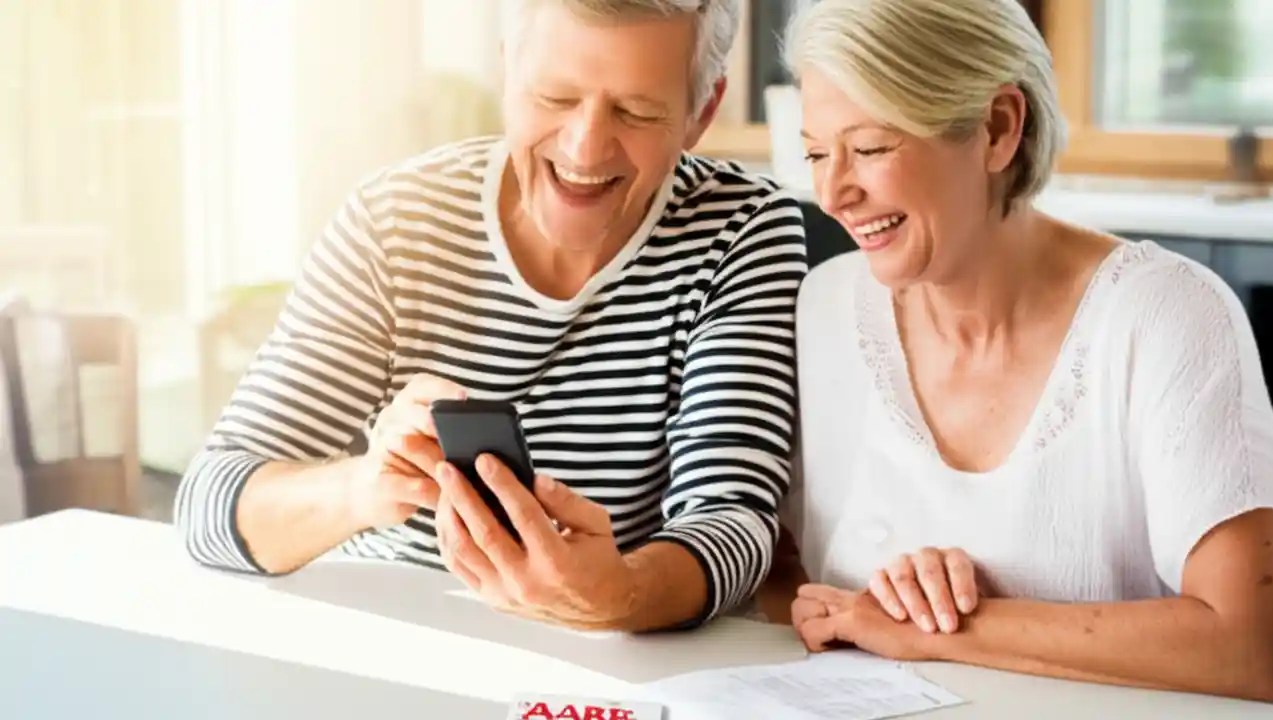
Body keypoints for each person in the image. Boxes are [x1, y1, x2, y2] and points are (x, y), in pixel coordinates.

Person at [175, 0, 808, 633]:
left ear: (702, 111)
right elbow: (209, 506)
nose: (585, 147)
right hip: (390, 638)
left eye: (636, 111)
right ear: (508, 71)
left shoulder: (743, 231)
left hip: (611, 660)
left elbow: (733, 521)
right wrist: (363, 487)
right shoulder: (396, 219)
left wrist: (621, 596)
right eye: (555, 98)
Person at [769, 0, 1273, 702]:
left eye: (871, 148)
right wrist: (815, 604)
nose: (833, 192)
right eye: (818, 153)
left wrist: (945, 628)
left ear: (999, 128)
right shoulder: (822, 308)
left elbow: (1255, 642)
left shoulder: (1166, 315)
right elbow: (785, 574)